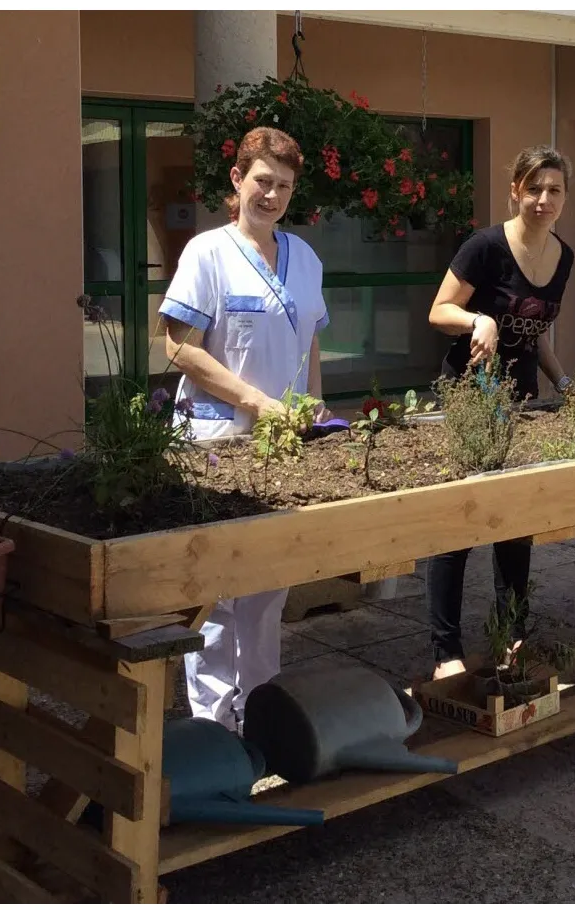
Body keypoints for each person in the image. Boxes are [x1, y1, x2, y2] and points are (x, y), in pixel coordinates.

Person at [159, 126, 332, 730]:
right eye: (263, 181)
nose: (273, 195)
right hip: (215, 441)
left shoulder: (306, 260)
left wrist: (313, 412)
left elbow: (309, 343)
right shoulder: (207, 252)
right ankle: (212, 729)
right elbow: (177, 347)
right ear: (237, 181)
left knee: (268, 586)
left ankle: (259, 714)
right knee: (215, 595)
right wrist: (255, 402)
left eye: (284, 186)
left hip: (281, 445)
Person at [424, 144, 575, 679]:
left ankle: (512, 638)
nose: (543, 199)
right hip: (468, 398)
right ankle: (446, 654)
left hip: (521, 400)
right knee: (459, 524)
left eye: (554, 189)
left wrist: (566, 382)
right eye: (533, 187)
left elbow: (537, 331)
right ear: (515, 190)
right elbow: (439, 310)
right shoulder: (485, 246)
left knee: (516, 522)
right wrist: (476, 322)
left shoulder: (564, 256)